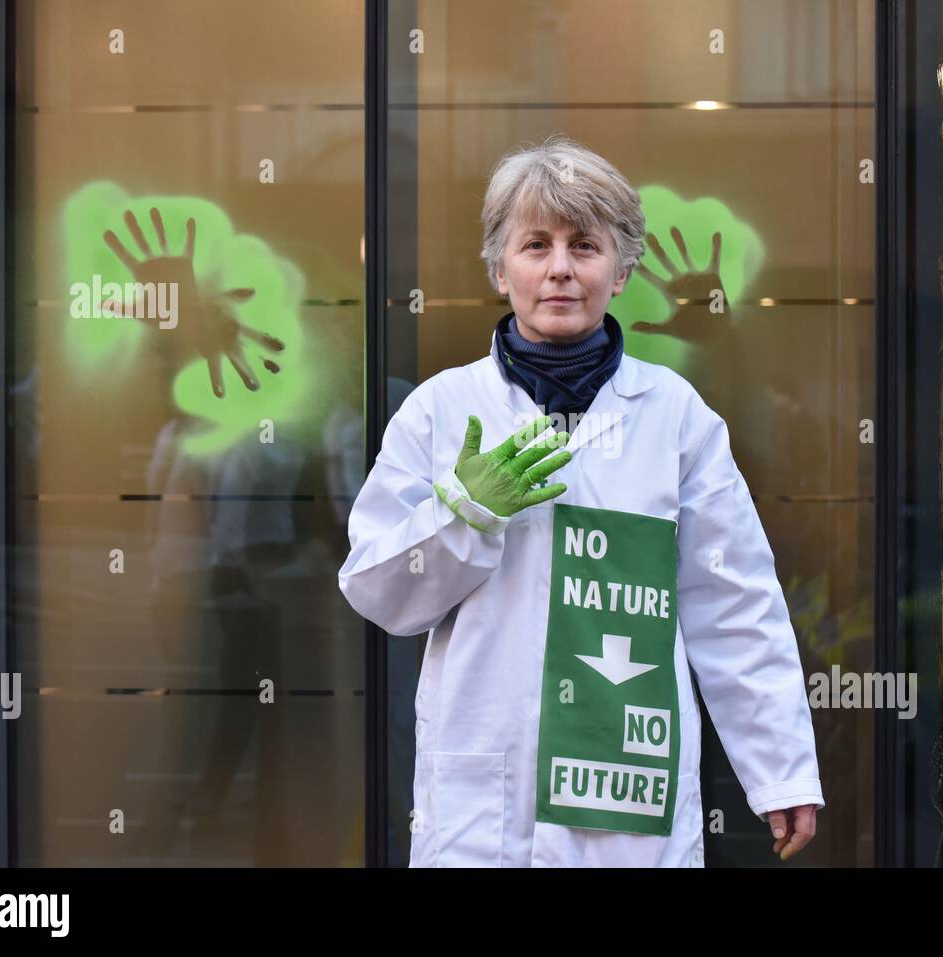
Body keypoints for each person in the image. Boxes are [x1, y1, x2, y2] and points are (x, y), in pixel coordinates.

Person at [338, 133, 823, 867]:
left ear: (622, 268)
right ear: (500, 267)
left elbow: (734, 602)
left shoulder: (675, 416)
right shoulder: (441, 413)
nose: (560, 269)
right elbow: (378, 591)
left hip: (624, 795)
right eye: (535, 245)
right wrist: (463, 513)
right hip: (480, 808)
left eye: (585, 246)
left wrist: (779, 767)